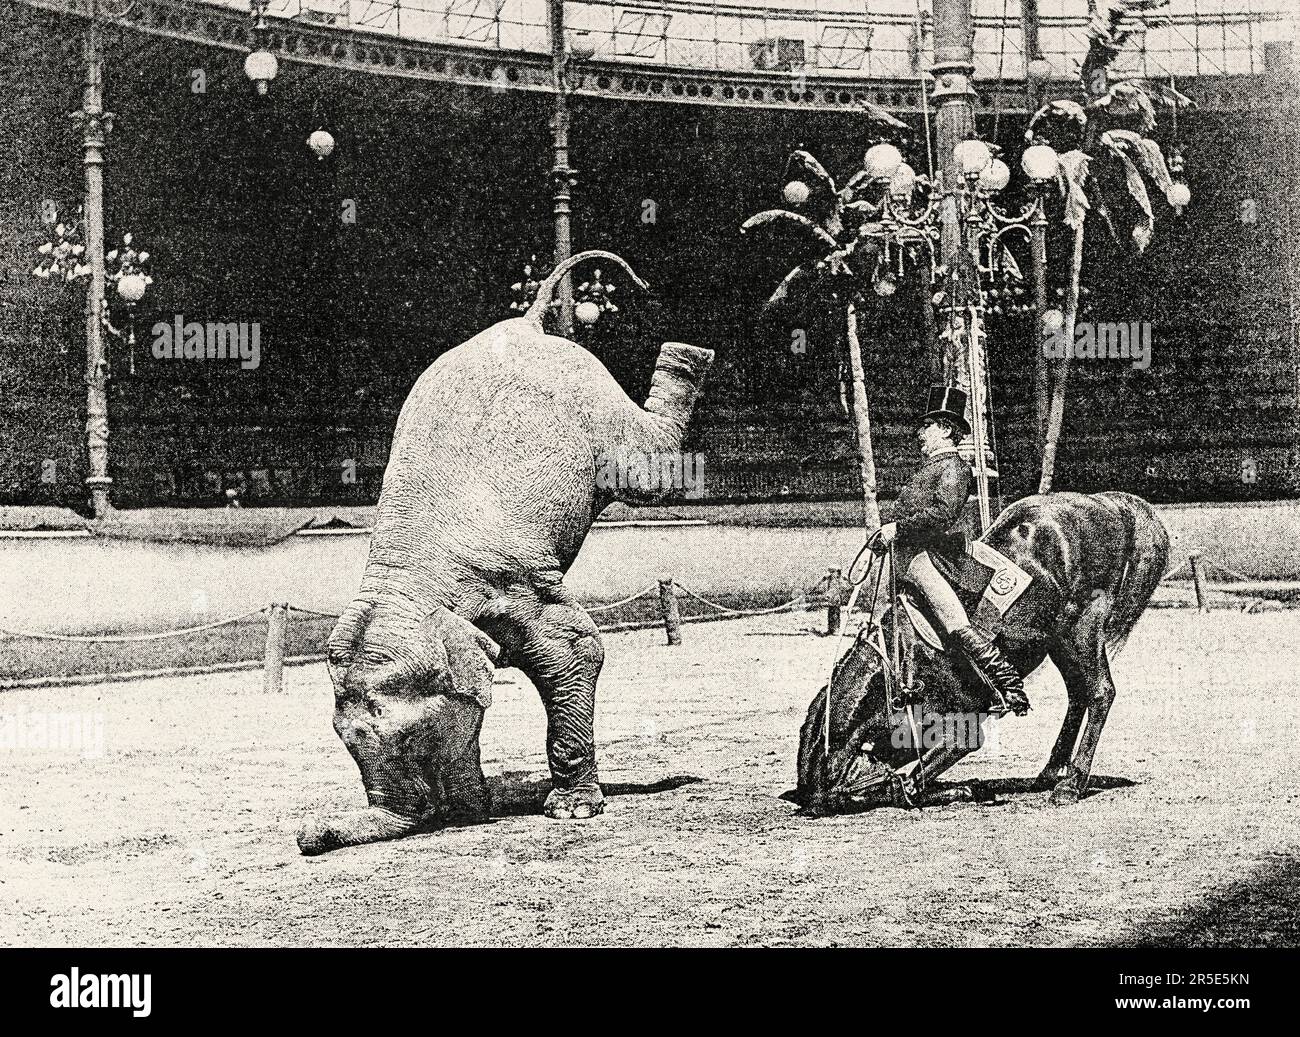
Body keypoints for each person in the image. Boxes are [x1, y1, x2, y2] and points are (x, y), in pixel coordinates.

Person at [871, 385, 1029, 716]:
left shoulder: (955, 468)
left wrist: (897, 528)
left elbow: (943, 513)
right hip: (907, 557)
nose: (920, 433)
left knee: (954, 622)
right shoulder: (928, 468)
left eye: (927, 426)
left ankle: (1007, 685)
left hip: (934, 557)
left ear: (945, 430)